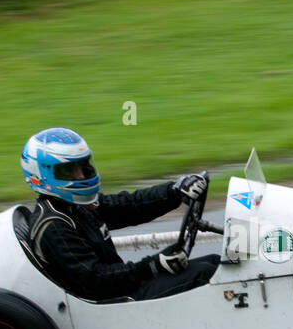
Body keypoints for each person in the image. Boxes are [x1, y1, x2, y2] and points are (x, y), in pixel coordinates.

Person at [18, 128, 218, 301]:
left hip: (123, 288)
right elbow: (96, 280)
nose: (80, 176)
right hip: (112, 302)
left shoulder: (76, 206)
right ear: (42, 176)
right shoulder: (55, 227)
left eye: (83, 167)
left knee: (216, 263)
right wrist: (152, 266)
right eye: (69, 171)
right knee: (207, 274)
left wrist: (174, 191)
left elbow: (130, 205)